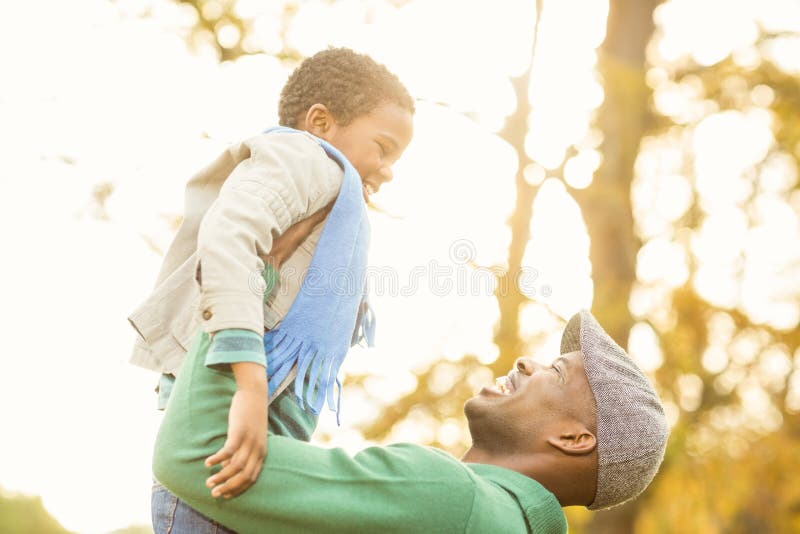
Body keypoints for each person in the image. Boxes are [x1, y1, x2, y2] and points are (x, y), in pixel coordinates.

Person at [128, 46, 414, 511]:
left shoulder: (336, 199)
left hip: (253, 445)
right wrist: (250, 385)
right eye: (383, 148)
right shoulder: (305, 157)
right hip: (225, 434)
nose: (389, 170)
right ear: (320, 123)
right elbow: (230, 236)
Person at [152, 310, 670, 533]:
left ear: (574, 439)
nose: (525, 362)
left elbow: (196, 456)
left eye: (556, 371)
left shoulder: (453, 501)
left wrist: (238, 292)